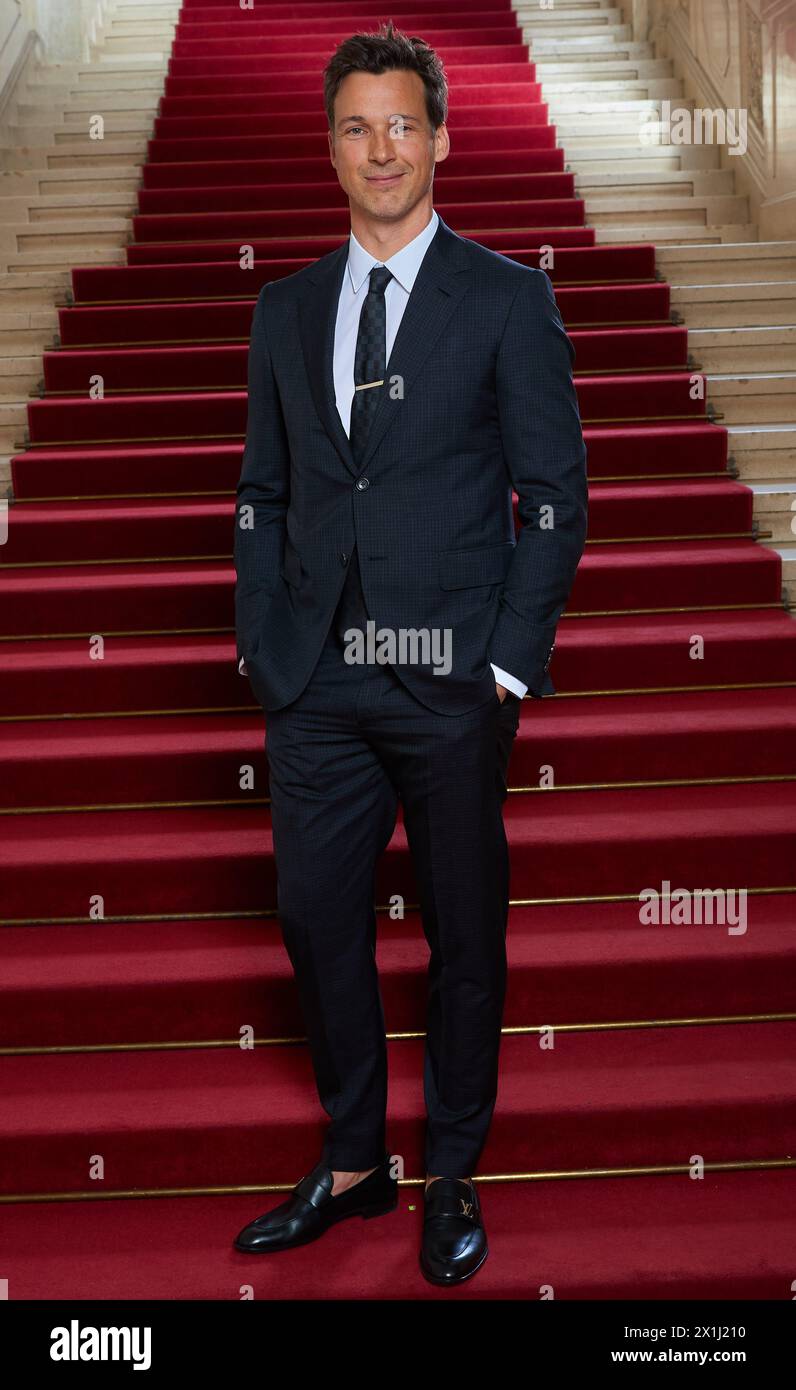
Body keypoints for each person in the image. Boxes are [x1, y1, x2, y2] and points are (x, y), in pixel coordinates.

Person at [232, 21, 587, 1286]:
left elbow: (554, 495)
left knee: (463, 938)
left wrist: (501, 669)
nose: (380, 148)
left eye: (401, 124)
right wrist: (265, 638)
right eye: (355, 126)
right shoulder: (282, 310)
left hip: (448, 674)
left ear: (439, 136)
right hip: (318, 678)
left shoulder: (505, 295)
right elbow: (263, 491)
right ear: (331, 149)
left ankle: (449, 1171)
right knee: (312, 916)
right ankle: (349, 1161)